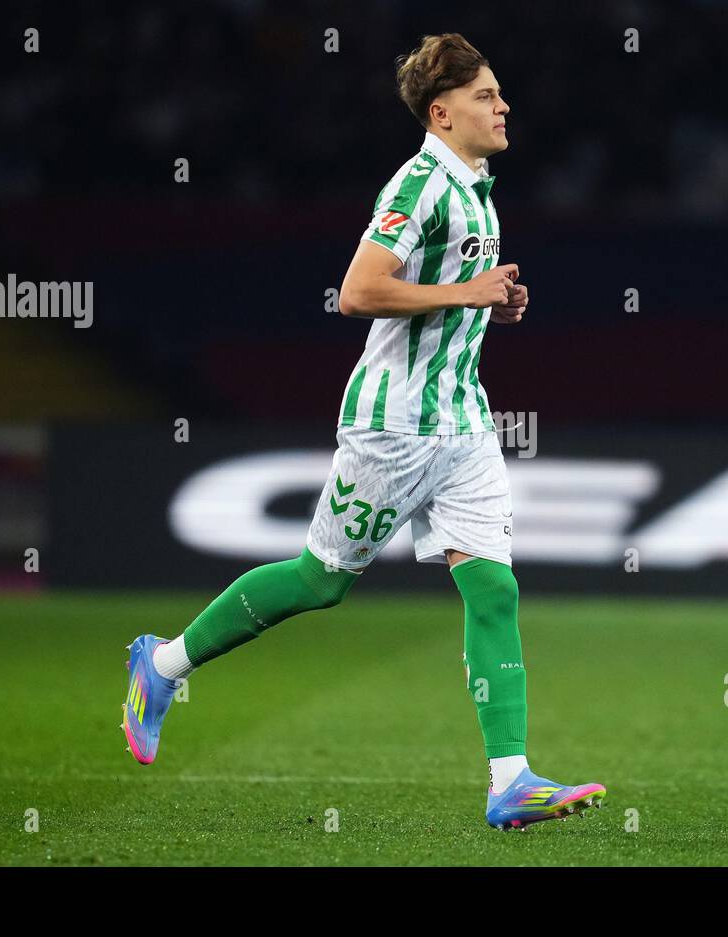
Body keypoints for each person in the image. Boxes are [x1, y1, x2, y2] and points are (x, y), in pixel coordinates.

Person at [121, 33, 604, 831]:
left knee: (495, 589)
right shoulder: (418, 186)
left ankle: (510, 780)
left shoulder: (477, 187)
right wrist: (464, 292)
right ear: (442, 113)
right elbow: (357, 292)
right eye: (486, 95)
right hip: (394, 426)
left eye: (499, 92)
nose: (503, 105)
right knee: (320, 582)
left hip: (464, 419)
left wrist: (488, 300)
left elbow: (446, 295)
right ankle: (162, 664)